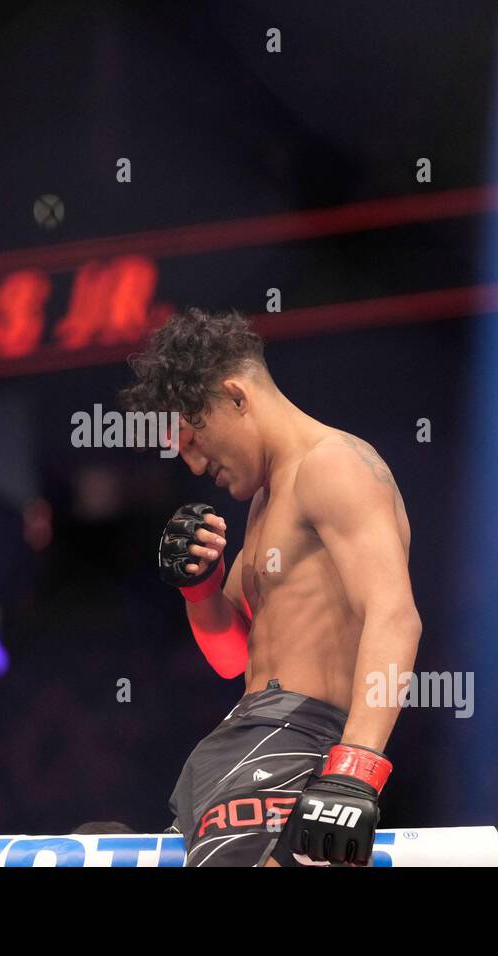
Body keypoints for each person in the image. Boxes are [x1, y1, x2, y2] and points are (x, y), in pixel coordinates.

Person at [120, 308, 421, 866]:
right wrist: (201, 591)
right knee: (98, 842)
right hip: (241, 741)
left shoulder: (333, 467)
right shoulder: (265, 502)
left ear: (236, 396)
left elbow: (394, 615)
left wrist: (355, 769)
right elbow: (232, 659)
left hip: (299, 741)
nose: (193, 463)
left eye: (194, 437)